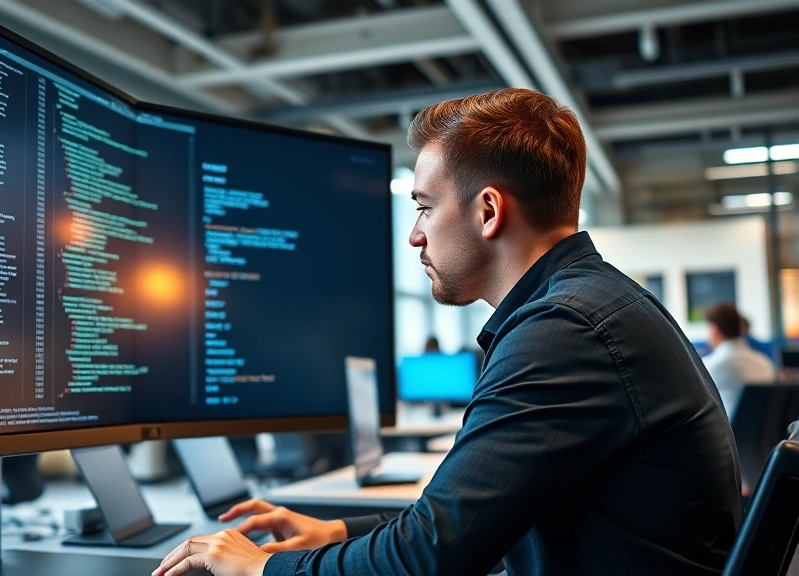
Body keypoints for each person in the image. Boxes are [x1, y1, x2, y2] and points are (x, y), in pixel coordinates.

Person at [153, 88, 741, 576]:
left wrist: (261, 569)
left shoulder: (565, 330)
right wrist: (336, 530)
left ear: (488, 211)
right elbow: (471, 522)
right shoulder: (592, 303)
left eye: (424, 207)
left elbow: (428, 560)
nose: (414, 235)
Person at [703, 302, 776, 419]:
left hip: (727, 435)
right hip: (767, 435)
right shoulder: (765, 363)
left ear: (715, 330)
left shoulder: (709, 366)